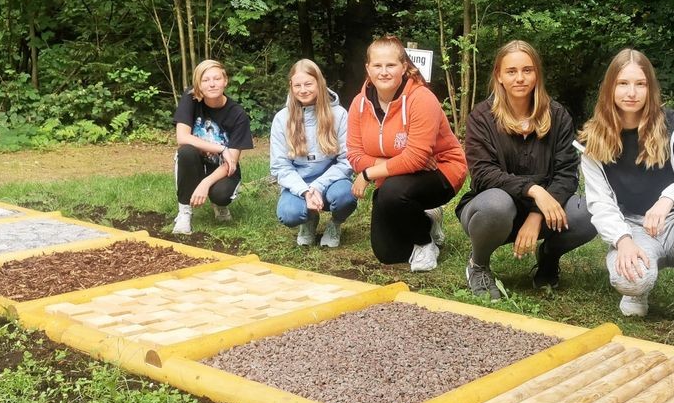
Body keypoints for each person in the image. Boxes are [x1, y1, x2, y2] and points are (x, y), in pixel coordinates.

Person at [578, 48, 674, 341]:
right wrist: (622, 240)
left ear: (650, 88)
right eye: (623, 83)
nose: (631, 92)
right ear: (610, 87)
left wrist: (668, 199)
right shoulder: (593, 140)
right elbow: (599, 202)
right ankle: (639, 291)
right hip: (635, 231)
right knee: (632, 282)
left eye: (640, 84)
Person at [456, 40, 596, 299]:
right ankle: (478, 264)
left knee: (589, 212)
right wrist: (534, 191)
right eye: (511, 71)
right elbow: (484, 174)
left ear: (537, 74)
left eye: (527, 70)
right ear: (499, 75)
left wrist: (536, 215)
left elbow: (566, 174)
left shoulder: (558, 116)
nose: (520, 78)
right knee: (497, 204)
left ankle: (548, 257)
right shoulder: (481, 117)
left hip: (542, 213)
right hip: (490, 212)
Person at [347, 35, 467, 271]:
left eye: (390, 65)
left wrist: (369, 173)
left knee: (392, 193)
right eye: (377, 66)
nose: (384, 72)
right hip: (396, 177)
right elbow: (354, 154)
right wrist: (395, 163)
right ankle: (428, 220)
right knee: (389, 254)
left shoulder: (421, 99)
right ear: (368, 69)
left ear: (404, 67)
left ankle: (425, 243)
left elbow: (417, 158)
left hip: (441, 171)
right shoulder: (359, 104)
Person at [269, 59, 357, 247]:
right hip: (299, 184)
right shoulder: (281, 119)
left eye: (308, 84)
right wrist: (305, 190)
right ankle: (308, 220)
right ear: (291, 87)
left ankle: (335, 224)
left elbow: (347, 161)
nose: (303, 90)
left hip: (332, 181)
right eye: (297, 85)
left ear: (319, 83)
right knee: (289, 214)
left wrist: (318, 185)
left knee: (346, 197)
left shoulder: (339, 114)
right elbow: (280, 166)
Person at [172, 59, 254, 234]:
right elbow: (182, 137)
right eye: (205, 80)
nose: (211, 84)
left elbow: (231, 162)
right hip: (195, 163)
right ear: (198, 85)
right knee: (186, 151)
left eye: (216, 79)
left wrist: (205, 183)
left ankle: (219, 205)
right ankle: (184, 212)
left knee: (221, 194)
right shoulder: (191, 98)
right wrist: (221, 148)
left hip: (222, 168)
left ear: (225, 81)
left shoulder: (238, 114)